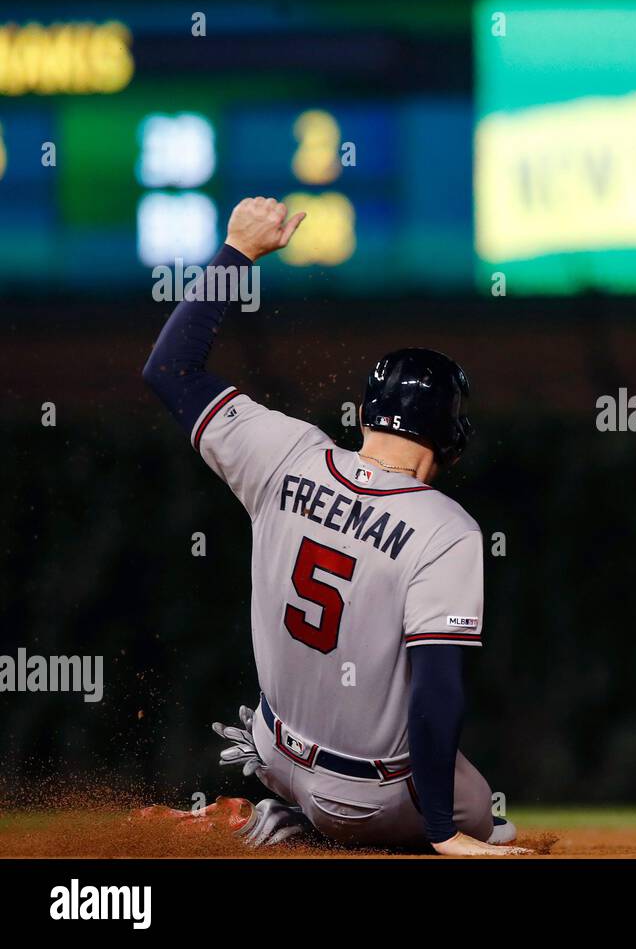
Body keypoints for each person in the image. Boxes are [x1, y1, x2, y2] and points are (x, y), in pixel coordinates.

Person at [143, 196, 529, 855]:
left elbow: (170, 368)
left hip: (266, 745)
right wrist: (442, 832)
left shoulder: (285, 448)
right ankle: (306, 828)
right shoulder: (448, 528)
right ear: (451, 440)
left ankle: (283, 808)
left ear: (364, 414)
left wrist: (238, 252)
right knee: (493, 824)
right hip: (363, 800)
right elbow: (437, 691)